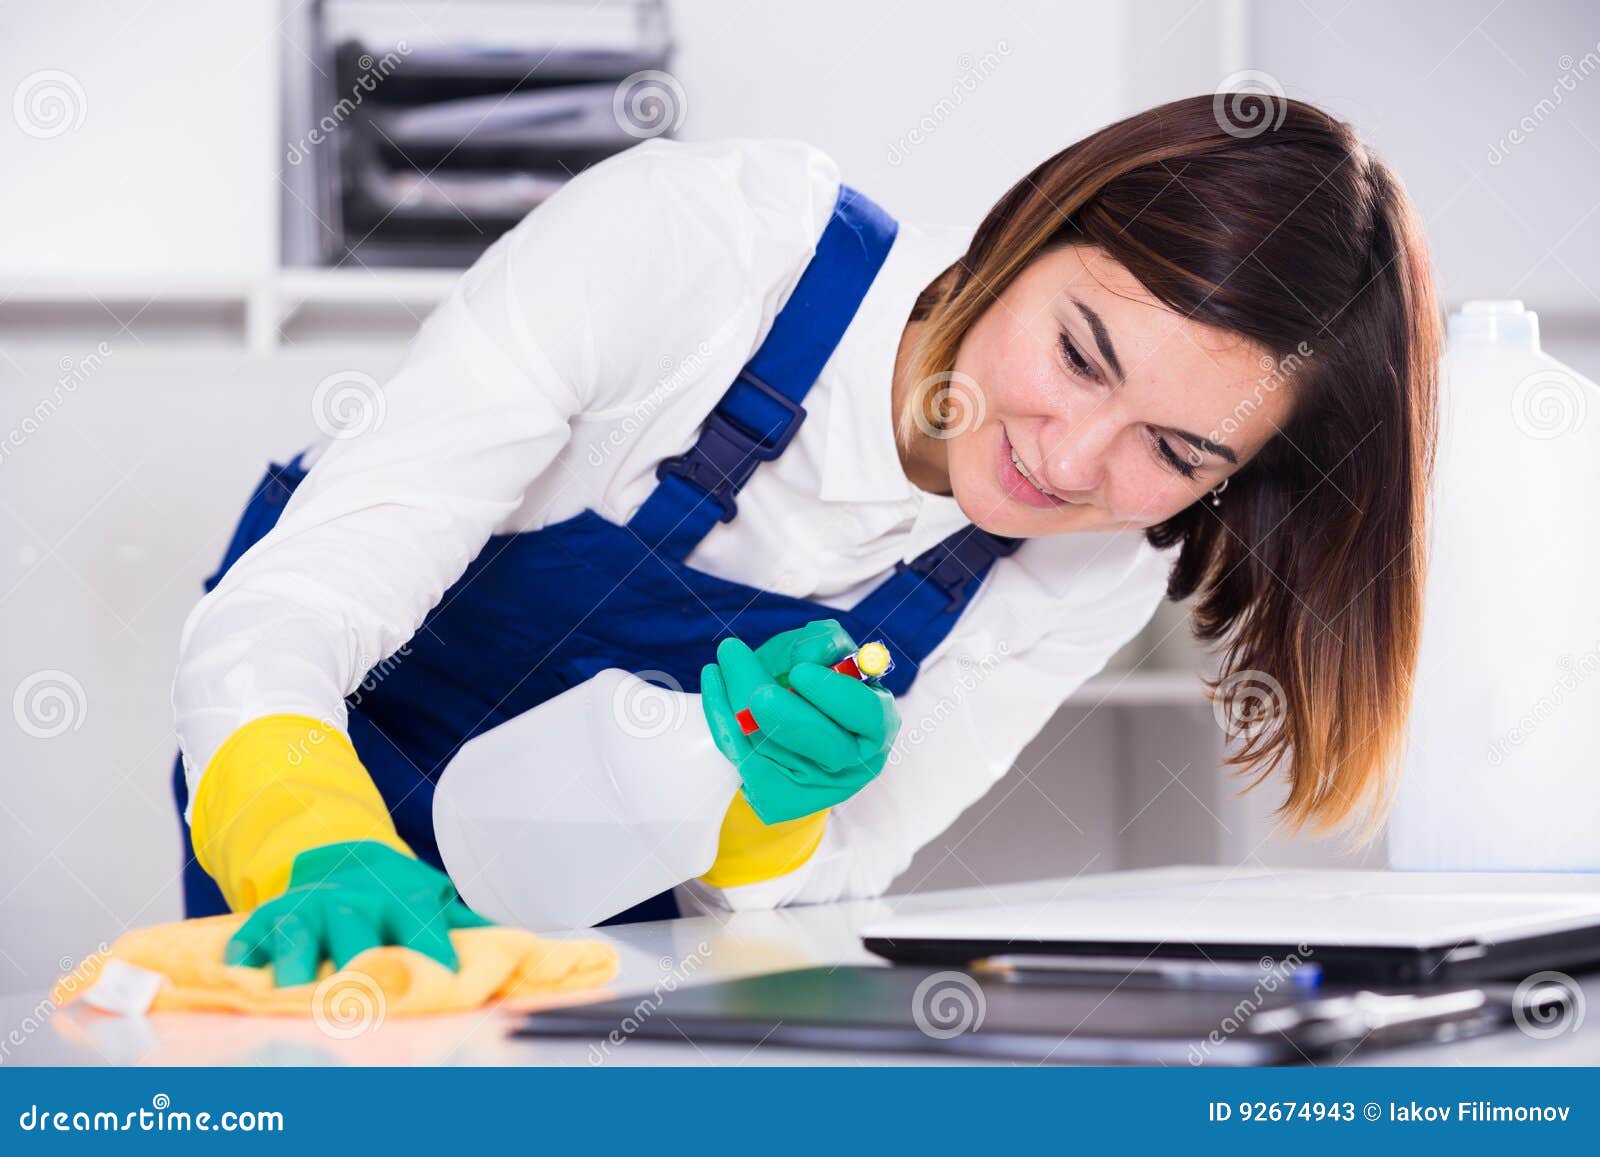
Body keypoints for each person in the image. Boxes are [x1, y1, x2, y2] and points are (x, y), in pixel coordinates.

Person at [171, 94, 1440, 986]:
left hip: (595, 929)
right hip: (315, 794)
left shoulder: (1092, 568)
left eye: (1172, 451)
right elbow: (288, 610)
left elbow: (839, 871)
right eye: (1075, 352)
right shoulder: (701, 252)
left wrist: (764, 816)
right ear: (1032, 222)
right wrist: (312, 838)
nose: (1066, 462)